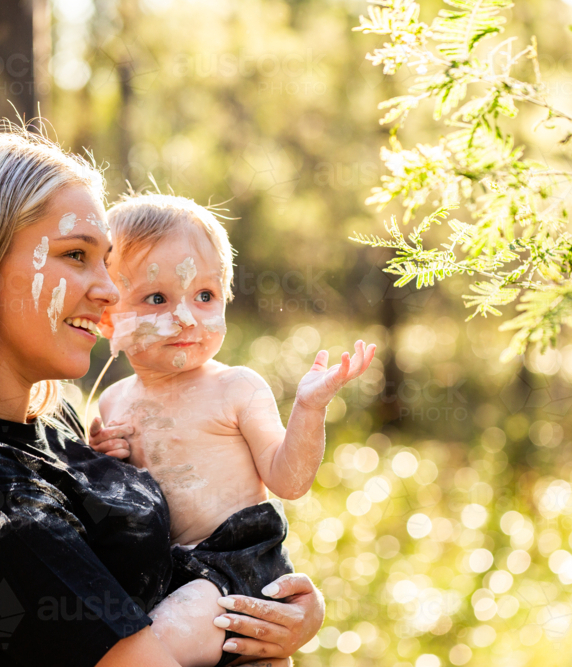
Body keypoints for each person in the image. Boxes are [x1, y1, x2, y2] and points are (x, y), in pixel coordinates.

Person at [0, 127, 324, 667]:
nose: (107, 289)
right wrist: (236, 613)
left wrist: (280, 611)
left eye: (105, 261)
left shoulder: (53, 422)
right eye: (75, 254)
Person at [87, 194, 375, 667]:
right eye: (157, 298)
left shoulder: (236, 388)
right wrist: (107, 459)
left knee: (150, 647)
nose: (187, 317)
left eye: (205, 296)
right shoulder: (114, 400)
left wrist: (309, 406)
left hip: (237, 565)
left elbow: (290, 480)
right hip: (165, 572)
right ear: (106, 317)